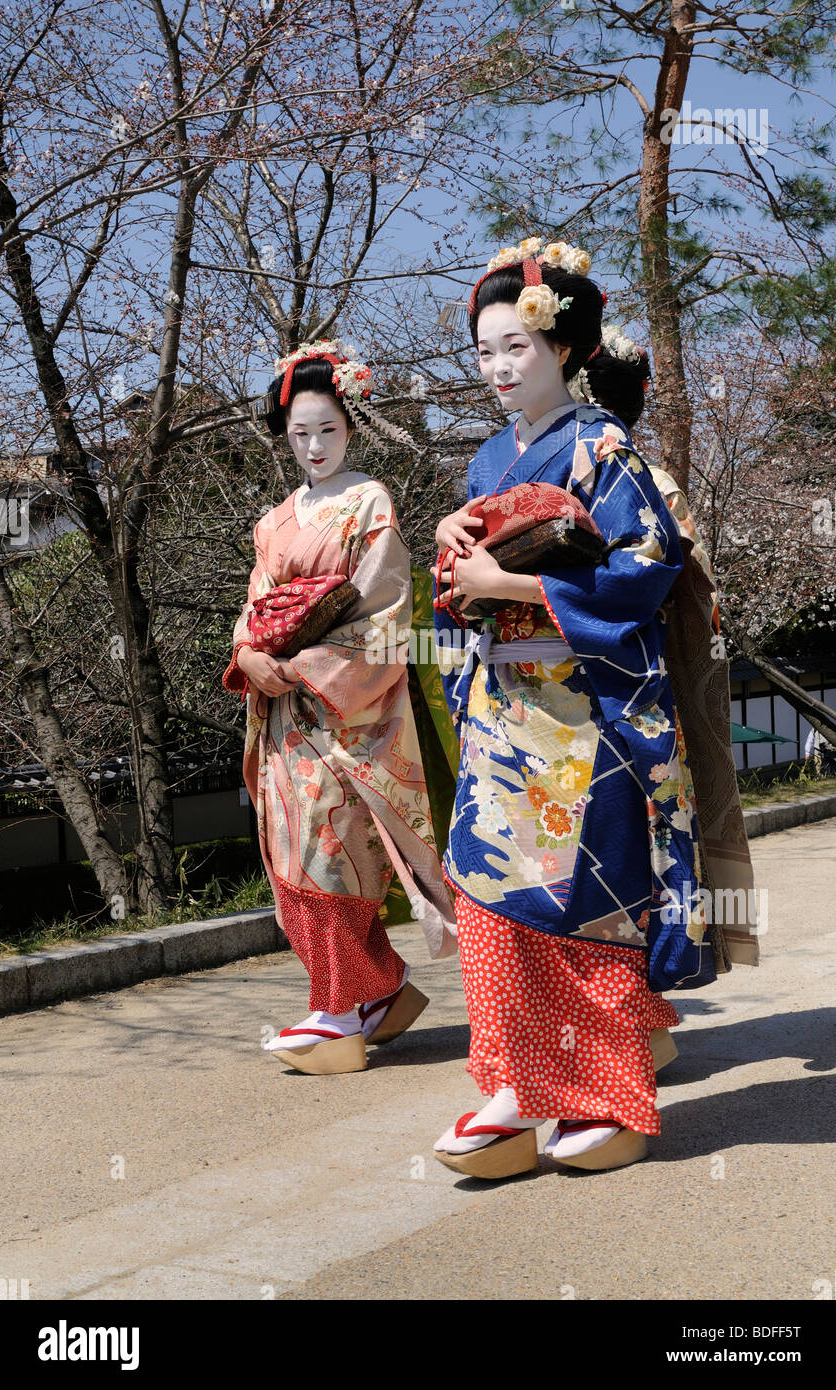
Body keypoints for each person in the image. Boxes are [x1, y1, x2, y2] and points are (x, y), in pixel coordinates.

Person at [430, 237, 709, 1177]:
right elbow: (466, 583)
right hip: (503, 708)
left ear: (563, 349)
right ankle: (511, 1086)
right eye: (484, 352)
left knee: (584, 905)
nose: (499, 368)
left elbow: (646, 564)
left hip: (581, 711)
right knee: (488, 903)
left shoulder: (602, 445)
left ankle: (609, 1100)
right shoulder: (483, 459)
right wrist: (456, 571)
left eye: (516, 346)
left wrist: (508, 581)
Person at [223, 340, 456, 1075]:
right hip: (284, 716)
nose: (315, 446)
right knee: (290, 854)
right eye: (300, 434)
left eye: (327, 430)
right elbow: (255, 608)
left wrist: (306, 667)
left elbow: (384, 613)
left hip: (345, 709)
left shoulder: (369, 502)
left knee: (332, 854)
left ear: (350, 427)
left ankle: (338, 1013)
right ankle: (376, 992)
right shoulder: (273, 520)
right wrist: (250, 658)